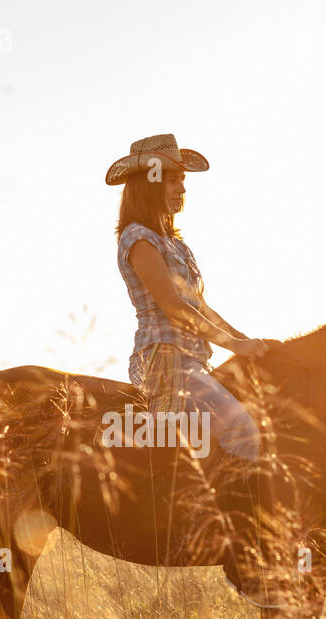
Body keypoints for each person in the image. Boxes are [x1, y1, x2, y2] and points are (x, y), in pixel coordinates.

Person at [107, 133, 269, 461]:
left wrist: (246, 340)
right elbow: (172, 306)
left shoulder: (176, 244)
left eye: (181, 180)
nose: (182, 188)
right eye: (172, 180)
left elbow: (200, 306)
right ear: (149, 184)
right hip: (165, 362)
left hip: (192, 361)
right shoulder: (138, 238)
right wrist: (234, 346)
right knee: (241, 430)